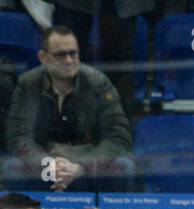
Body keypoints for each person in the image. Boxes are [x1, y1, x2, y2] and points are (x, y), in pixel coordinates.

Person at [3, 26, 135, 192]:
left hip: (89, 162)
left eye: (73, 53)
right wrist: (48, 165)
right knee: (12, 167)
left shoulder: (98, 83)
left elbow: (118, 137)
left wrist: (80, 167)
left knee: (124, 165)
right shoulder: (27, 84)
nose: (68, 60)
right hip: (44, 161)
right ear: (43, 57)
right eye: (60, 55)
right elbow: (18, 137)